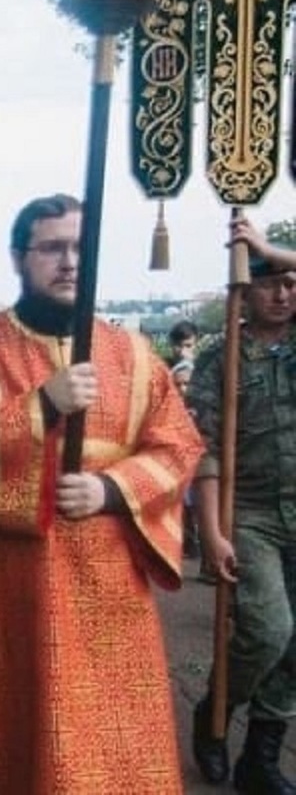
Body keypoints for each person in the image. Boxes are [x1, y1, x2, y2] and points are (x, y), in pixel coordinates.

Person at [0, 193, 202, 793]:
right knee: (18, 733)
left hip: (109, 589)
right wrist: (43, 405)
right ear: (19, 258)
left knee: (113, 739)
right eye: (52, 248)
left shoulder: (133, 355)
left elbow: (178, 447)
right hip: (11, 585)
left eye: (81, 248)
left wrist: (111, 487)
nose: (70, 261)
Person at [187, 252, 296, 792]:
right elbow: (204, 449)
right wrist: (210, 532)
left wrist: (265, 245)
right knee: (269, 629)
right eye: (270, 284)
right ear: (244, 290)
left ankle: (261, 757)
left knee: (295, 646)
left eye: (291, 283)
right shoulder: (221, 357)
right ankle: (216, 707)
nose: (283, 294)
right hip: (249, 513)